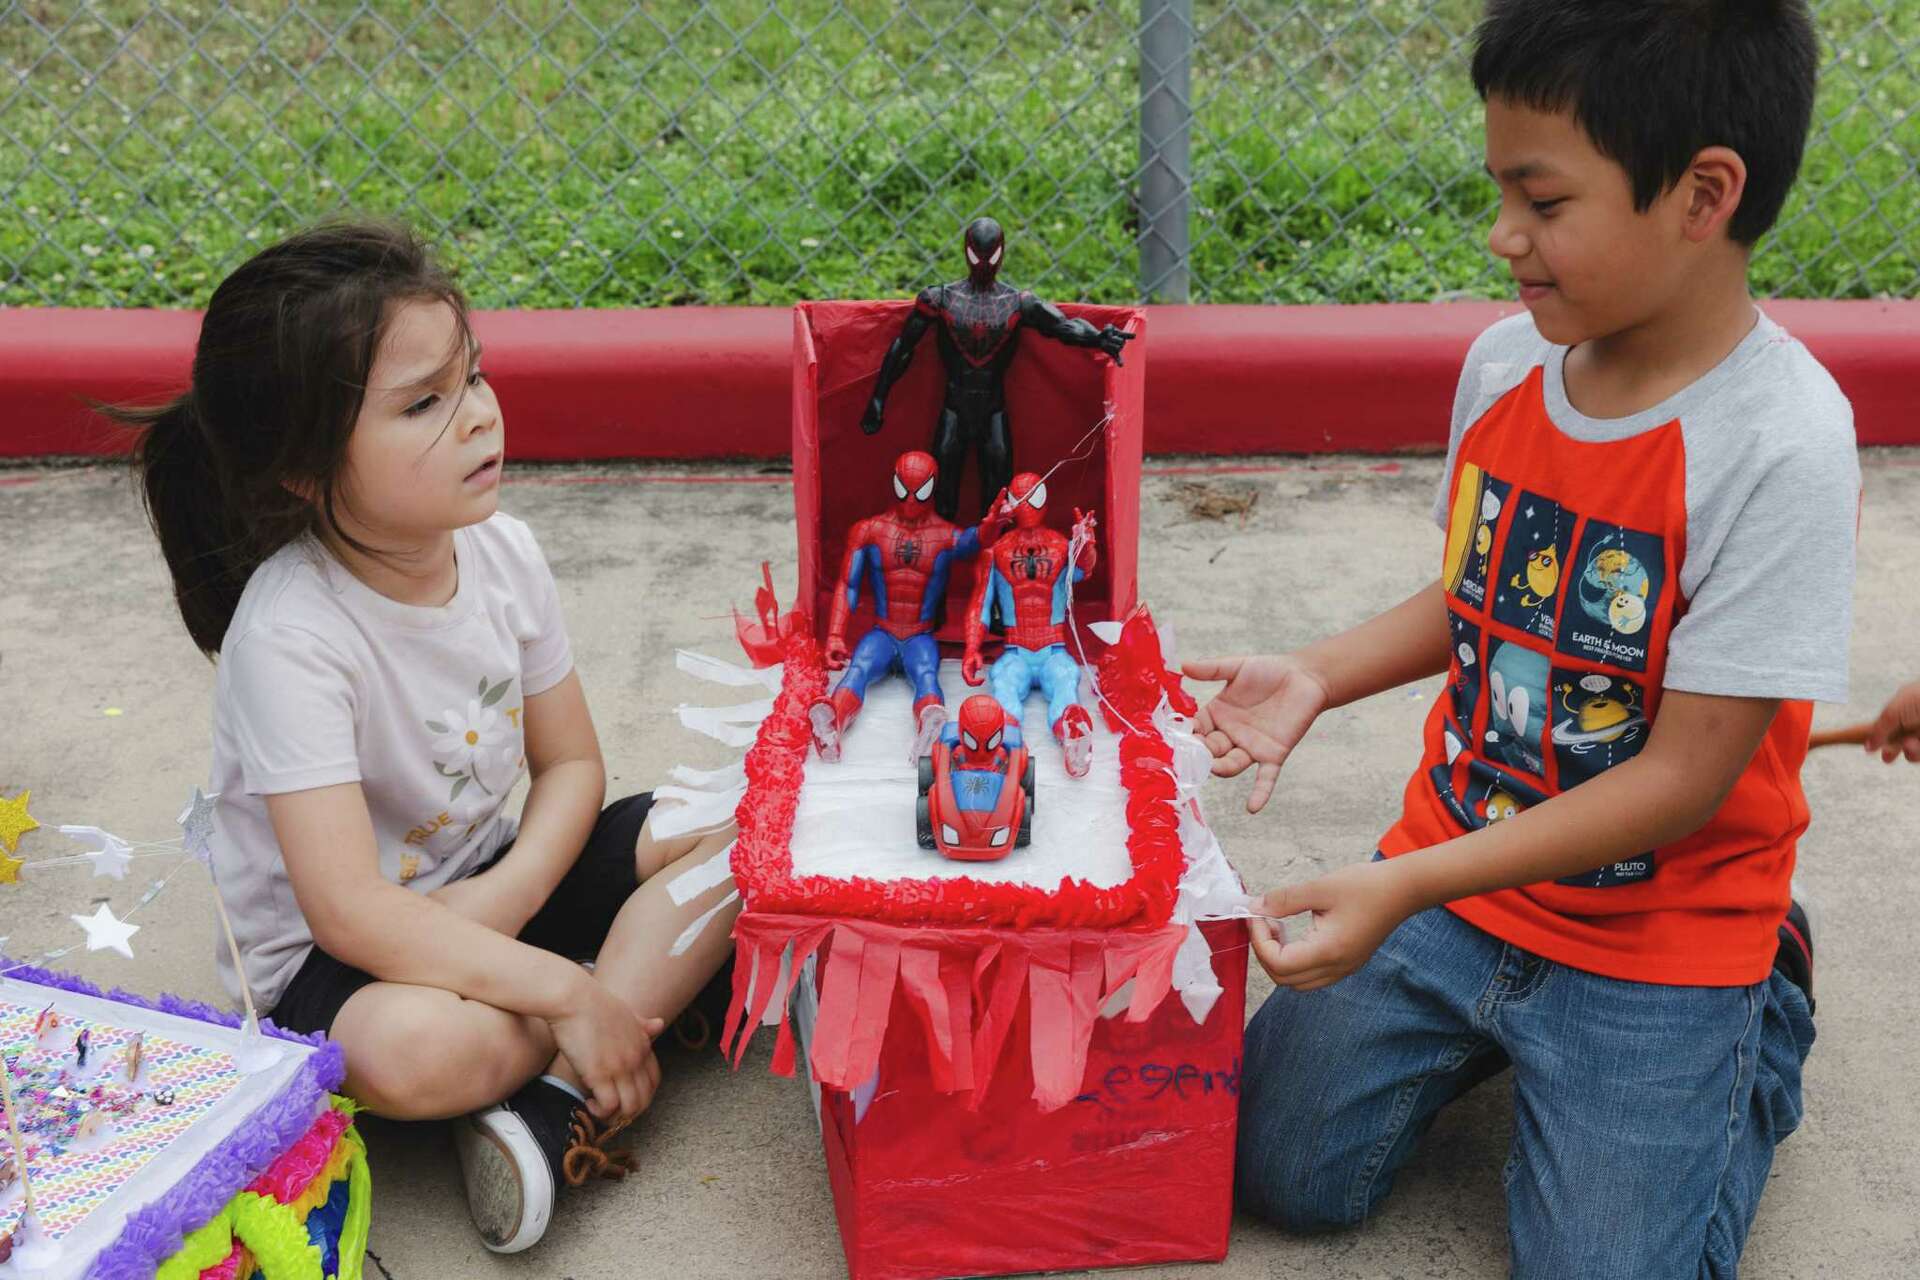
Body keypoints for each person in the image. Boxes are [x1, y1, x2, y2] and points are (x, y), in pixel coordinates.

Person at [1192, 3, 1858, 1274]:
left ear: (1703, 193)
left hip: (1662, 933)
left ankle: (1754, 1025)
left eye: (1542, 203)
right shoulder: (1510, 364)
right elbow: (1482, 594)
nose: (1505, 238)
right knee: (1273, 1163)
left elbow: (1683, 776)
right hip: (1463, 870)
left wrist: (1402, 887)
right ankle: (1508, 1040)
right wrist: (1322, 673)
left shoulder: (1783, 443)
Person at [117, 220, 738, 1255]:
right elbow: (351, 911)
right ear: (305, 474)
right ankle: (624, 1009)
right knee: (417, 1052)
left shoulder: (502, 550)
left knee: (742, 826)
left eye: (474, 375)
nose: (479, 416)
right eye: (424, 402)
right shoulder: (292, 635)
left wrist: (506, 906)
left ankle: (550, 1093)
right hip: (343, 962)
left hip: (491, 878)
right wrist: (564, 980)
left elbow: (574, 763)